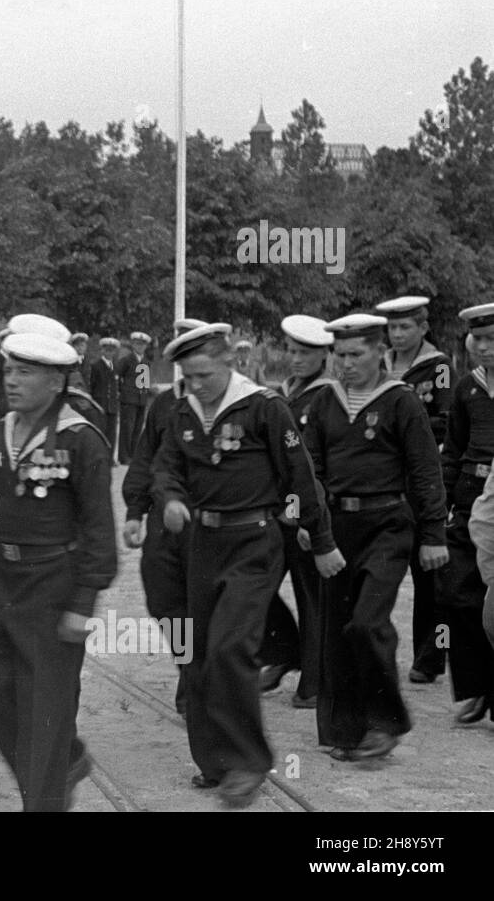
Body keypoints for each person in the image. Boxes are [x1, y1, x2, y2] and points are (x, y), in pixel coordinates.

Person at [154, 322, 340, 805]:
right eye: (187, 376)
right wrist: (172, 499)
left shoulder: (264, 407)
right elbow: (167, 466)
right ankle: (214, 764)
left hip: (255, 542)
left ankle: (248, 762)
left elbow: (300, 475)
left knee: (232, 647)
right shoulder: (183, 411)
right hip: (202, 543)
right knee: (195, 652)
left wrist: (319, 541)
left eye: (202, 374)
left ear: (229, 362)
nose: (195, 384)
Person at [0, 331, 115, 811]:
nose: (11, 381)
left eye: (25, 373)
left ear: (57, 380)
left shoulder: (82, 440)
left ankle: (44, 798)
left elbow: (100, 532)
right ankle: (65, 762)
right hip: (2, 580)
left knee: (44, 709)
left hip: (54, 582)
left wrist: (83, 603)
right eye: (8, 371)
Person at [303, 313, 446, 761]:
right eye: (339, 355)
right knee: (338, 633)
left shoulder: (401, 401)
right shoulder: (324, 403)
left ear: (379, 352)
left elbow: (425, 470)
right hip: (339, 529)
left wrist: (433, 535)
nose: (346, 363)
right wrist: (312, 525)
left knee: (367, 623)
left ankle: (387, 722)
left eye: (356, 354)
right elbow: (311, 471)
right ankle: (348, 732)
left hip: (389, 525)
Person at [122, 317, 206, 715]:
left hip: (211, 519)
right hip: (162, 518)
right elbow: (144, 459)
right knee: (162, 599)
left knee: (204, 601)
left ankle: (197, 681)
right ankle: (191, 666)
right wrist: (134, 512)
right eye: (180, 351)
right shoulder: (163, 404)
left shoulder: (236, 404)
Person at [257, 315, 337, 707]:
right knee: (257, 589)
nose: (295, 359)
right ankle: (283, 651)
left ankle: (314, 679)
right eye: (290, 351)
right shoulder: (279, 394)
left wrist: (312, 519)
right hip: (273, 513)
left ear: (324, 354)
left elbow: (320, 464)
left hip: (306, 515)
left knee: (312, 598)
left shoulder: (327, 396)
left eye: (305, 352)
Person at [376, 295, 453, 684]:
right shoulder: (381, 365)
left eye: (406, 327)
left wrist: (409, 431)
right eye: (393, 327)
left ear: (423, 328)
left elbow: (445, 419)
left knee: (429, 574)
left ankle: (430, 657)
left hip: (423, 474)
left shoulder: (438, 367)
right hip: (386, 477)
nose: (398, 334)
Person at [434, 303, 494, 724]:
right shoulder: (466, 388)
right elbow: (453, 449)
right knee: (457, 593)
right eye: (479, 340)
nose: (484, 348)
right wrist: (445, 501)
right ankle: (476, 688)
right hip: (470, 494)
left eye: (493, 340)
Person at [117, 331, 153, 464]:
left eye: (143, 345)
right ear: (133, 345)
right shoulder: (126, 360)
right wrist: (122, 391)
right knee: (127, 428)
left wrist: (147, 396)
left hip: (141, 400)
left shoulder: (146, 362)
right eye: (137, 344)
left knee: (137, 428)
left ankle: (133, 455)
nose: (140, 347)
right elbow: (117, 377)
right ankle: (124, 456)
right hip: (129, 399)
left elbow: (146, 382)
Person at [90, 337, 120, 448]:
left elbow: (118, 386)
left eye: (112, 350)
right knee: (101, 433)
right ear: (102, 350)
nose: (109, 353)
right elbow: (92, 387)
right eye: (107, 350)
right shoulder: (96, 366)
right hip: (100, 405)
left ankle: (110, 459)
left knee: (112, 434)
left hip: (112, 405)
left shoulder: (116, 366)